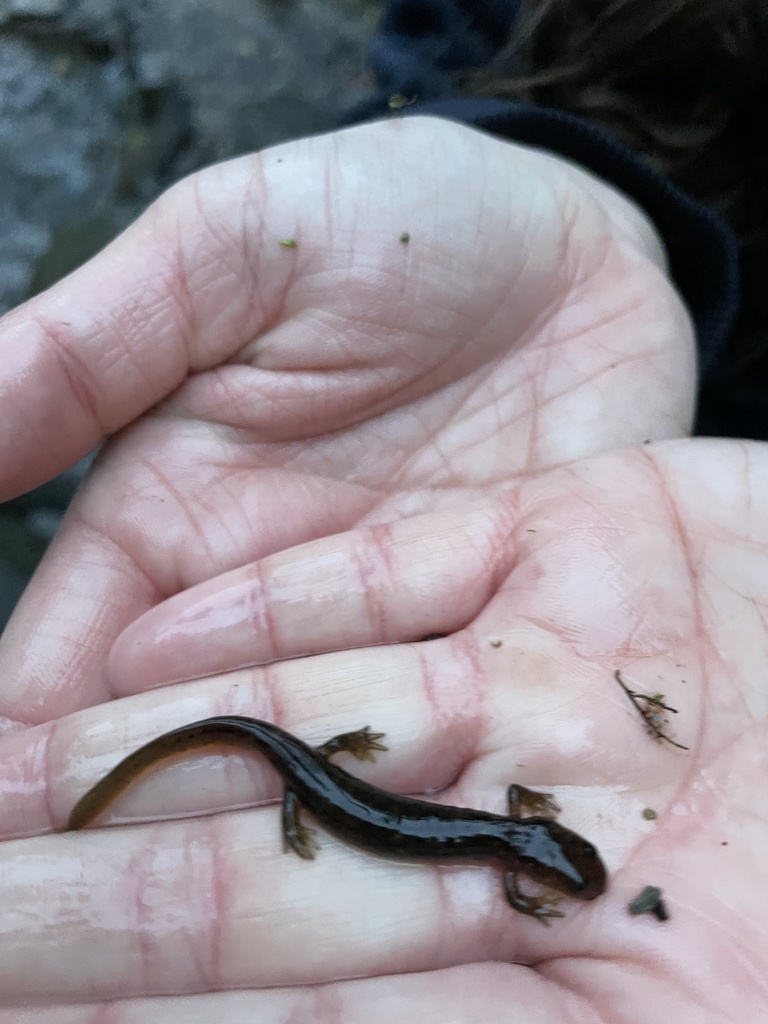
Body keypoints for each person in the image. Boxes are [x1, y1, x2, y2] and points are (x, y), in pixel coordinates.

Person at [0, 2, 766, 1019]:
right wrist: (581, 175)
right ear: (534, 860)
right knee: (293, 770)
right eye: (565, 871)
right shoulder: (508, 844)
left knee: (305, 775)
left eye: (567, 871)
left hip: (684, 452)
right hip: (644, 291)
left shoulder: (509, 834)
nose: (566, 874)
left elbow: (515, 828)